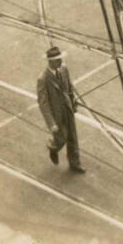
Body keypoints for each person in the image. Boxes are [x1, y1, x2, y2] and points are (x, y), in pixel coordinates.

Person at [36, 45, 85, 173]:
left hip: (68, 108)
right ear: (51, 61)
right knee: (61, 139)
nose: (61, 61)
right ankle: (53, 147)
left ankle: (75, 163)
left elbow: (69, 87)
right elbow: (43, 103)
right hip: (56, 114)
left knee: (72, 137)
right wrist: (51, 123)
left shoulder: (64, 69)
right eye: (58, 60)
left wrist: (73, 101)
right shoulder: (43, 79)